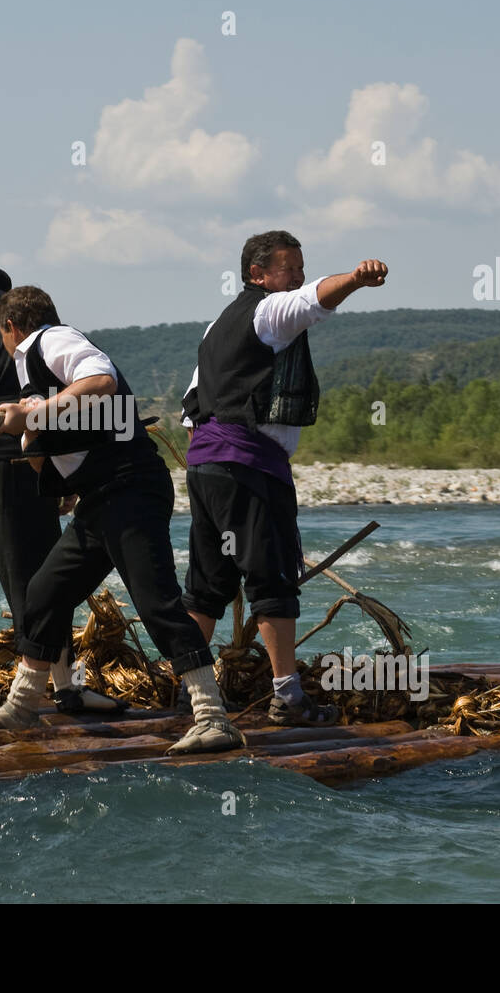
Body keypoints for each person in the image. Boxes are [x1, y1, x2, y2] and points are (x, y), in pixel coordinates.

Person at [0, 286, 241, 754]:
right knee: (45, 592)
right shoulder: (35, 369)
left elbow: (100, 384)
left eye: (3, 336)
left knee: (156, 601)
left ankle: (213, 716)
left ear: (10, 328)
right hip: (100, 499)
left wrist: (33, 415)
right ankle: (24, 703)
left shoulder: (50, 341)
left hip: (131, 490)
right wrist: (37, 441)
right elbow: (70, 433)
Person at [181, 229, 387, 726]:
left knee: (207, 587)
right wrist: (356, 280)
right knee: (271, 579)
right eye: (288, 269)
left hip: (206, 467)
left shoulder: (215, 327)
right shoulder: (267, 311)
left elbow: (192, 407)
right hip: (248, 468)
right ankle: (287, 697)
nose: (295, 277)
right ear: (257, 275)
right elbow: (311, 301)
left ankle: (186, 689)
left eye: (300, 268)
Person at [0, 262, 109, 712]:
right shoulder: (29, 336)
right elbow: (47, 400)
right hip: (21, 462)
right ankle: (66, 685)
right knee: (38, 573)